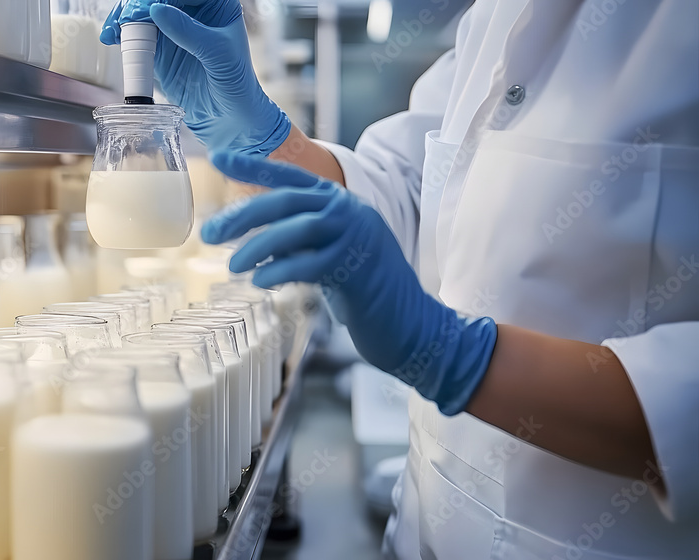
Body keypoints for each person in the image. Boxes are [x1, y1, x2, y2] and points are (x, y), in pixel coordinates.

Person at [103, 0, 699, 557]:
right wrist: (256, 135)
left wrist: (452, 356)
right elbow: (405, 199)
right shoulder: (494, 20)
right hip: (423, 525)